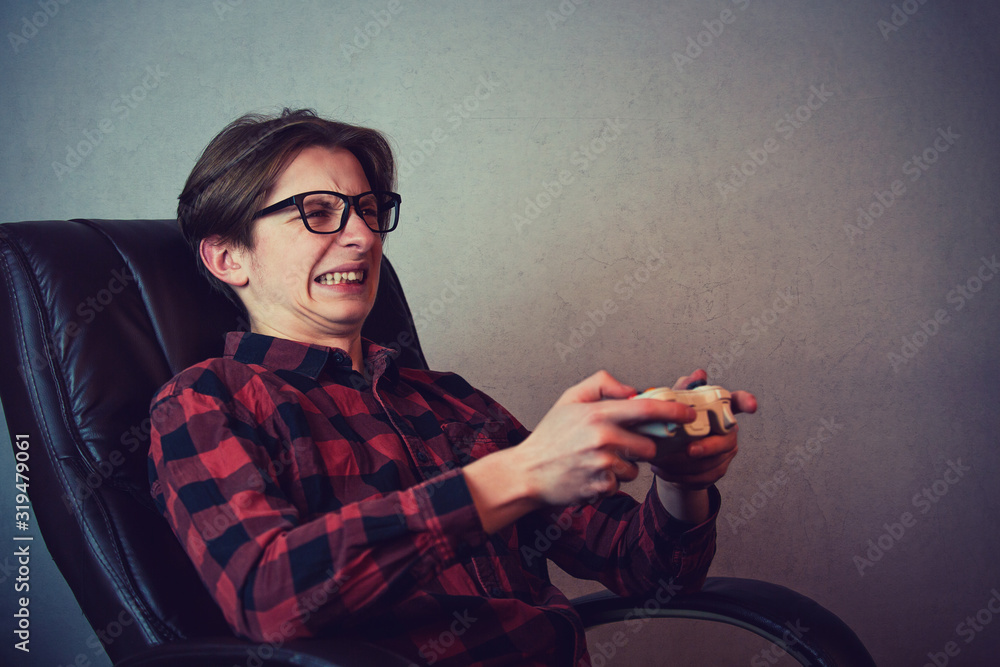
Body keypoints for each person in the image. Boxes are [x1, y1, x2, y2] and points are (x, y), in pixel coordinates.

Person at [148, 108, 757, 666]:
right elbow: (271, 596)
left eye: (366, 208)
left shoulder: (449, 401)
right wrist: (517, 475)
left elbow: (649, 573)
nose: (362, 237)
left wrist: (682, 482)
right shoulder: (205, 401)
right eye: (319, 211)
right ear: (229, 257)